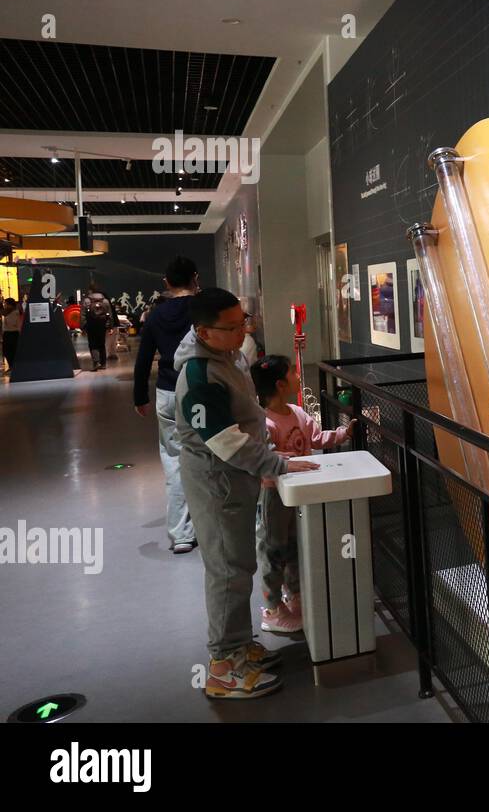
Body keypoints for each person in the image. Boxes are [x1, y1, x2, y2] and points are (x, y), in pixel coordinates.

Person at [173, 288, 320, 700]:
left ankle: (237, 647)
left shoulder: (228, 356)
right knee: (227, 571)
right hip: (217, 482)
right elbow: (225, 440)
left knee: (238, 567)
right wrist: (278, 463)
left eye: (244, 322)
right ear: (204, 332)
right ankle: (222, 667)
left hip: (235, 480)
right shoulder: (199, 375)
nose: (243, 332)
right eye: (233, 326)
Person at [250, 355, 353, 635]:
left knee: (294, 546)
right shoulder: (263, 422)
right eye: (294, 373)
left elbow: (317, 438)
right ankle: (272, 609)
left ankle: (293, 594)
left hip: (299, 494)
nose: (299, 376)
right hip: (274, 496)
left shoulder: (297, 413)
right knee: (272, 548)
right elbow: (264, 455)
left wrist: (342, 434)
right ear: (281, 384)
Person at [133, 256, 201, 553]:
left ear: (166, 283)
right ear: (195, 278)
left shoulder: (156, 316)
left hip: (167, 392)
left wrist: (140, 396)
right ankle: (211, 524)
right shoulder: (203, 310)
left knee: (174, 460)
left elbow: (144, 357)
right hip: (201, 390)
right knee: (209, 455)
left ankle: (181, 534)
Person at [80, 283, 112, 370]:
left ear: (90, 290)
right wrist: (109, 326)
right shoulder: (105, 301)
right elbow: (109, 314)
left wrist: (83, 326)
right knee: (101, 343)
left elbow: (83, 315)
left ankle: (96, 362)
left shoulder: (86, 301)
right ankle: (103, 363)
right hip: (102, 324)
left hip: (91, 324)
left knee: (93, 343)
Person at [1, 298, 20, 373]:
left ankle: (13, 367)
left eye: (5, 303)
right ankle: (11, 366)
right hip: (6, 334)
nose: (4, 305)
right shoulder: (6, 312)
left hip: (13, 333)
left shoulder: (15, 312)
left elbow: (12, 323)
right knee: (6, 351)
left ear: (10, 305)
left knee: (12, 351)